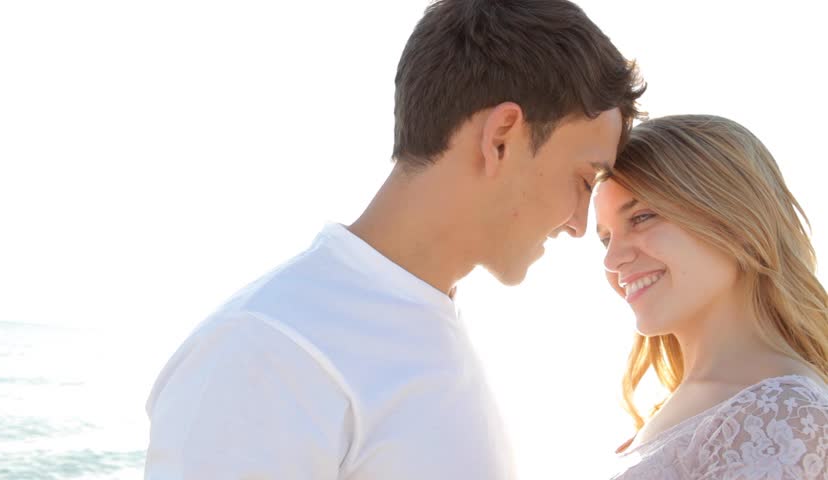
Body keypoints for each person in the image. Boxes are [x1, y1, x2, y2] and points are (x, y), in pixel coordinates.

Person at [144, 1, 644, 479]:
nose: (579, 224)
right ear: (501, 138)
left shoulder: (426, 323)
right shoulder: (267, 349)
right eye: (583, 180)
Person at [594, 114, 828, 479]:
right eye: (606, 237)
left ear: (737, 223)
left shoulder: (783, 413)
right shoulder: (685, 405)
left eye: (641, 217)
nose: (612, 259)